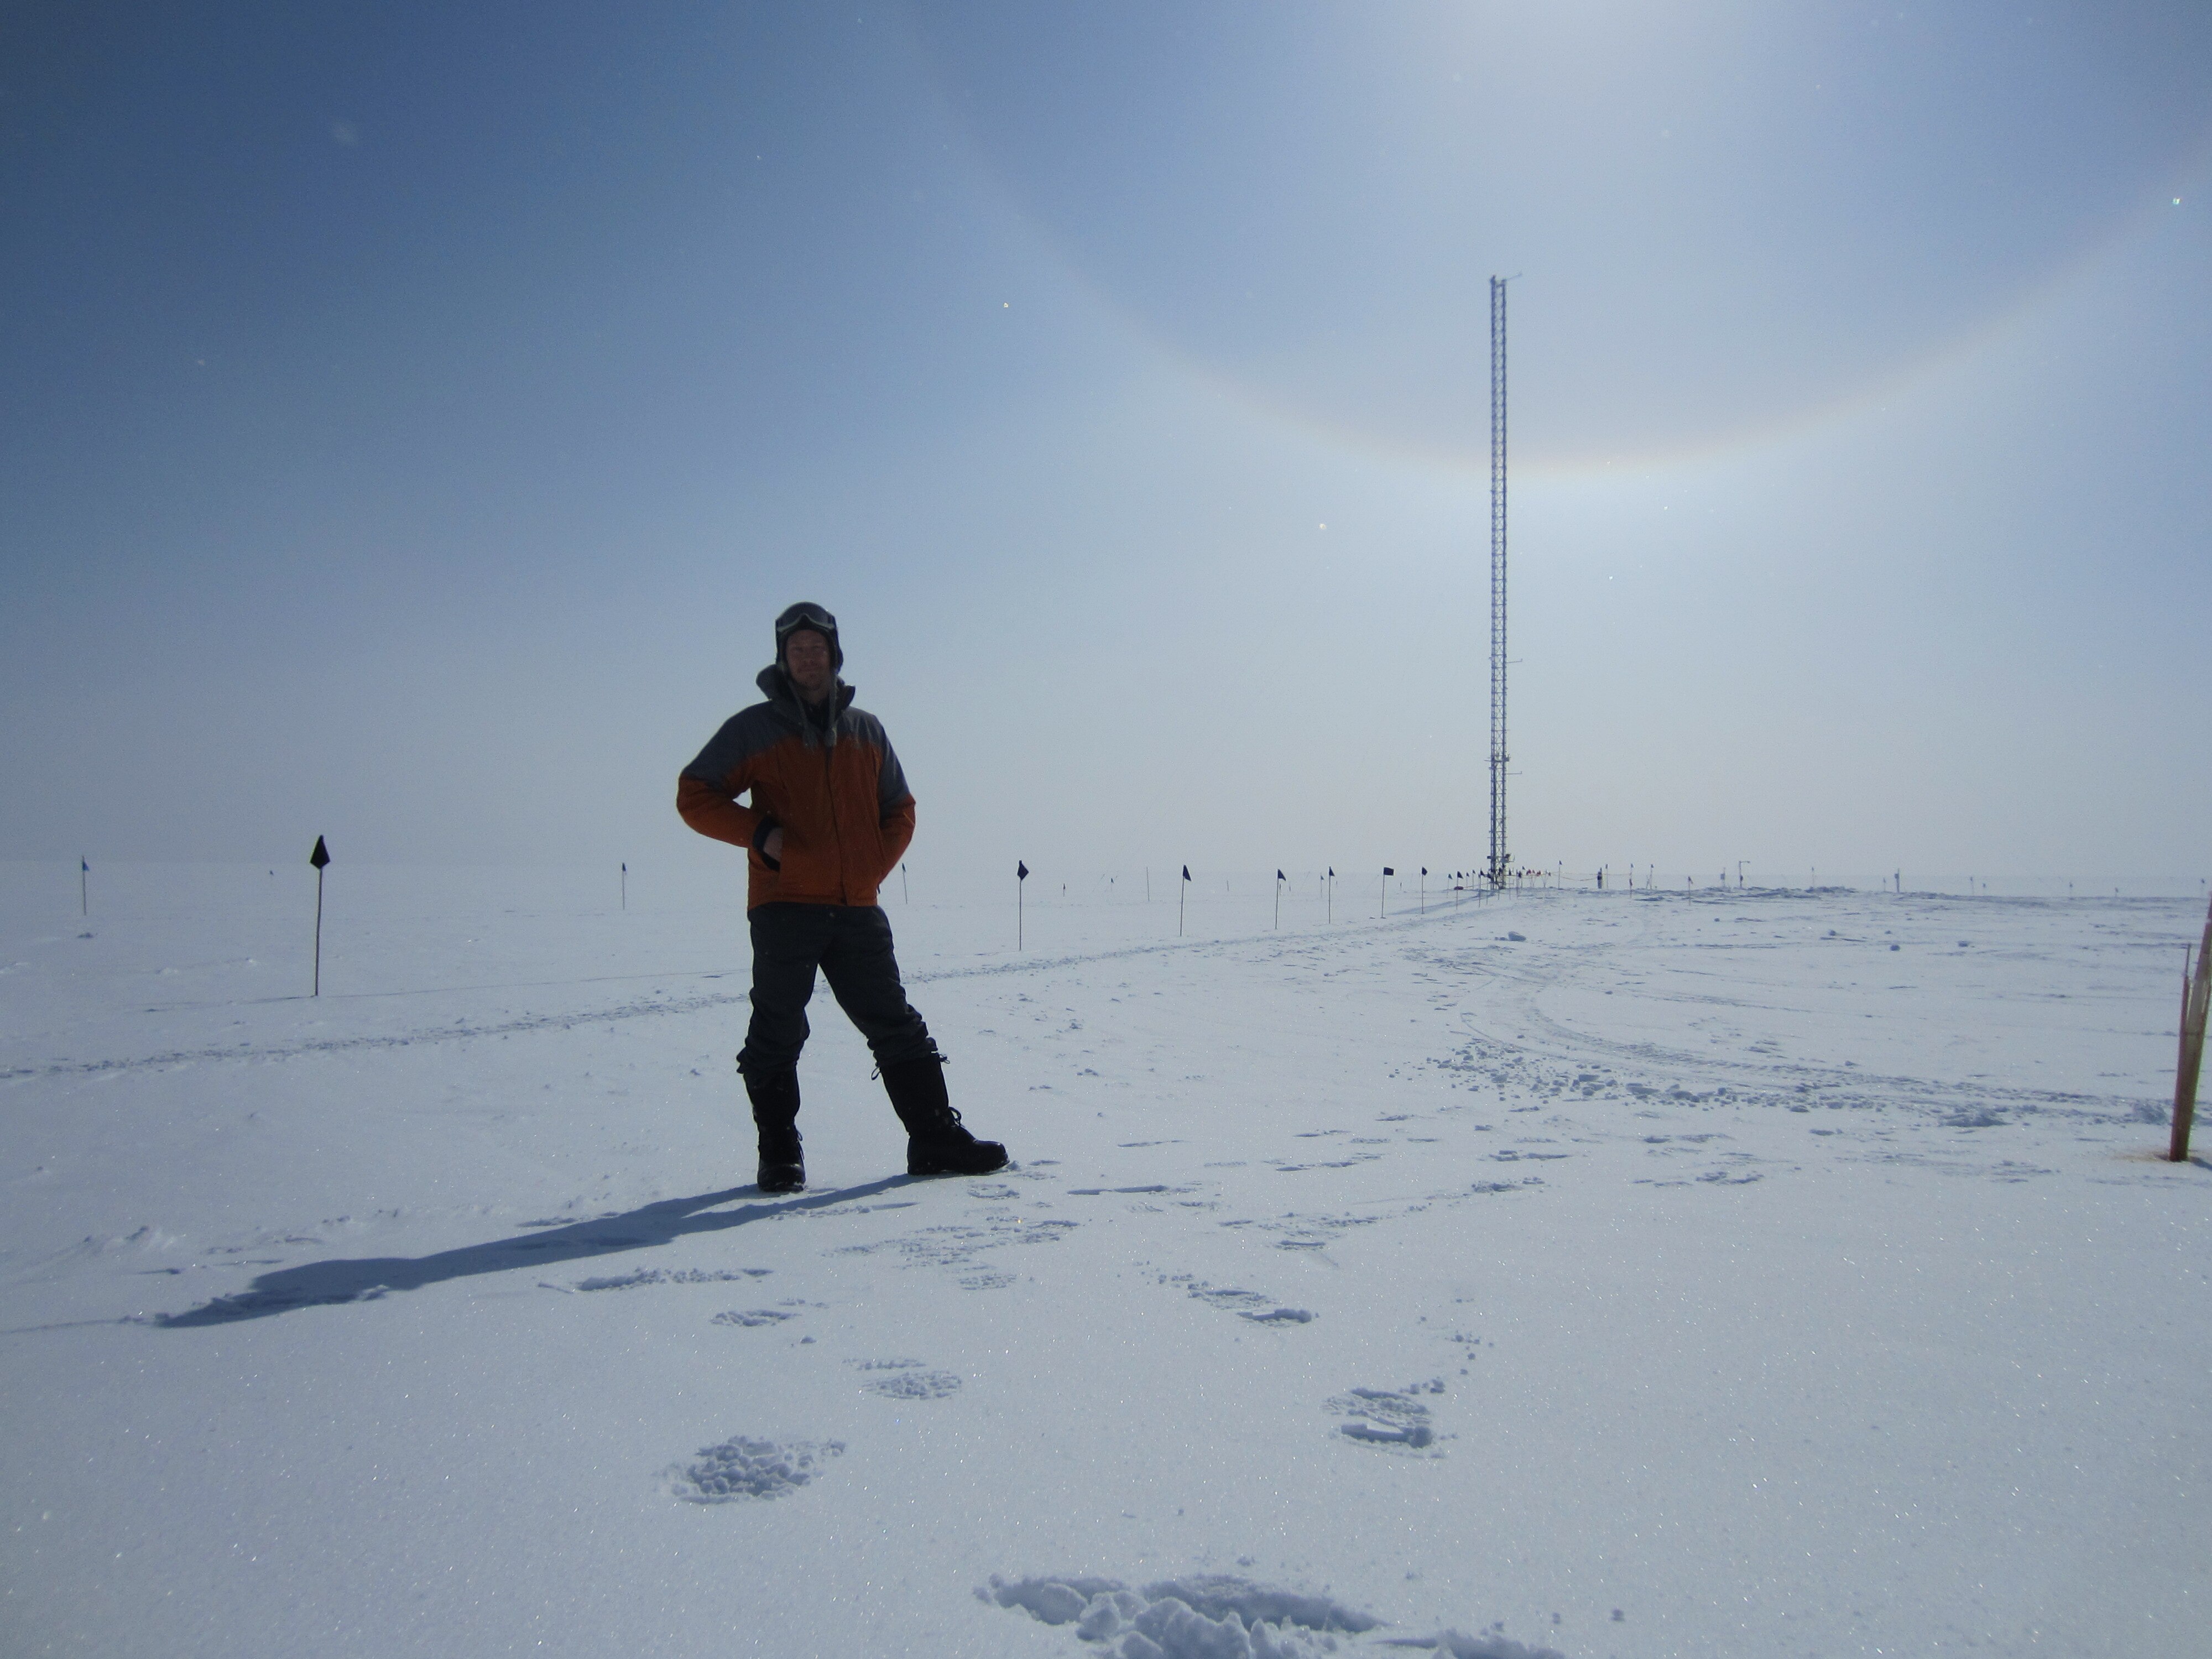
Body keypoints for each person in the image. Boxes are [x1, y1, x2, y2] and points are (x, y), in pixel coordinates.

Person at [676, 602, 1007, 1193]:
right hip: (785, 904)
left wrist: (868, 868)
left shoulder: (866, 730)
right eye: (797, 649)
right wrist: (760, 835)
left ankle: (933, 1138)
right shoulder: (754, 728)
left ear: (834, 654)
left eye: (818, 647)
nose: (808, 657)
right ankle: (779, 1150)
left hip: (857, 908)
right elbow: (695, 795)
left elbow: (899, 810)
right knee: (778, 1028)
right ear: (784, 658)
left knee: (896, 1024)